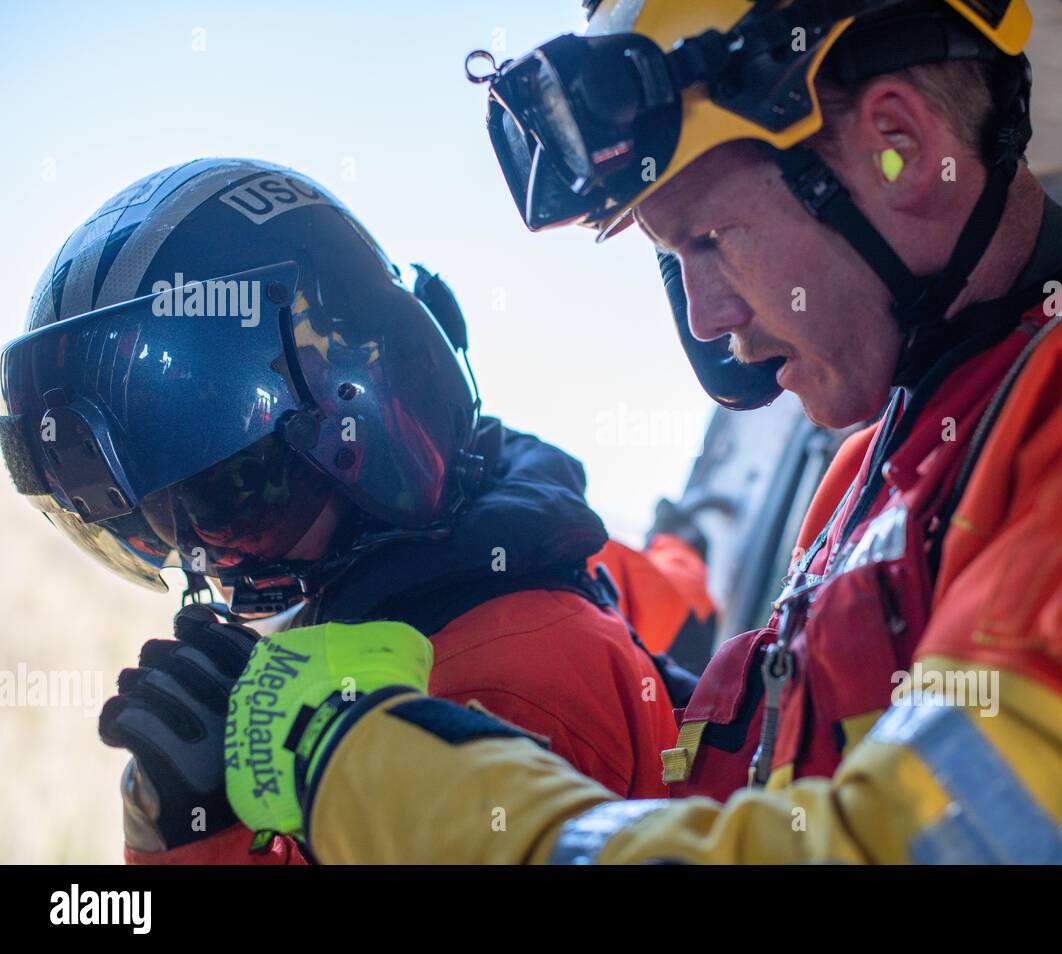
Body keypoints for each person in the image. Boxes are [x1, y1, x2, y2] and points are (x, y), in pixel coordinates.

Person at [75, 0, 1062, 864]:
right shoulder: (893, 459)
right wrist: (489, 610)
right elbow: (746, 778)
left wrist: (347, 755)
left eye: (708, 243)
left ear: (903, 145)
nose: (707, 319)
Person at [0, 158, 707, 864]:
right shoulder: (515, 546)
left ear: (360, 413)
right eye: (157, 524)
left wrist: (206, 839)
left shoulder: (486, 686)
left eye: (230, 497)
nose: (210, 561)